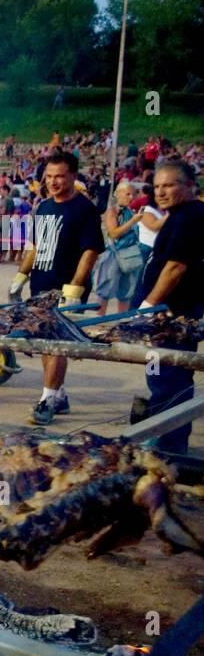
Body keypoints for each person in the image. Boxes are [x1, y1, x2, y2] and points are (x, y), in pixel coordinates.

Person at [7, 151, 103, 424]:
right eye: (49, 176)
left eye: (60, 176)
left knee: (56, 344)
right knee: (46, 343)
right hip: (40, 285)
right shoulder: (44, 207)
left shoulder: (84, 209)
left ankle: (47, 400)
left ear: (73, 175)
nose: (53, 181)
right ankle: (58, 395)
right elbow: (37, 247)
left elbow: (90, 252)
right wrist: (22, 274)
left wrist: (74, 288)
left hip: (66, 289)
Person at [134, 159, 204, 452]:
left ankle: (169, 446)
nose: (160, 192)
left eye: (169, 185)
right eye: (157, 186)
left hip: (175, 315)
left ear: (189, 186)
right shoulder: (177, 215)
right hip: (166, 313)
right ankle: (164, 436)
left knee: (169, 377)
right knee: (160, 375)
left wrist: (149, 304)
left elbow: (176, 267)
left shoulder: (190, 215)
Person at [93, 181, 144, 315]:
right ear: (118, 194)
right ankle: (99, 318)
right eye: (127, 194)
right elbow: (114, 233)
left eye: (133, 194)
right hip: (114, 254)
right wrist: (133, 221)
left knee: (127, 290)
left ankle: (122, 319)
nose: (131, 197)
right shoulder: (112, 211)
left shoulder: (129, 212)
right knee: (105, 288)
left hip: (130, 253)